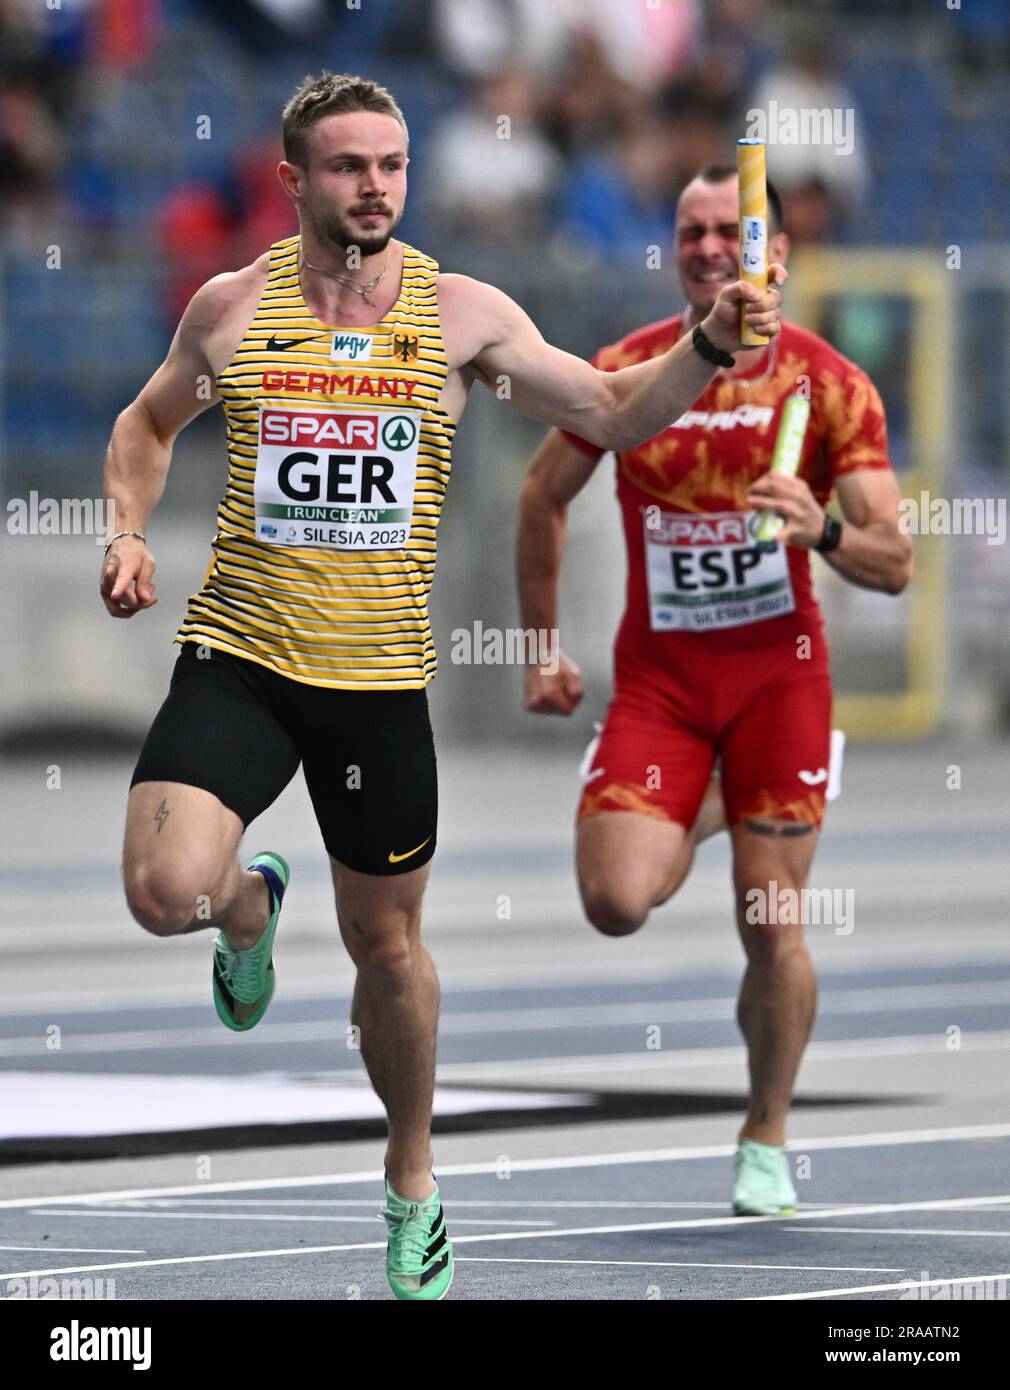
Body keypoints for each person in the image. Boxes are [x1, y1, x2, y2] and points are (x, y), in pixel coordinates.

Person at [98, 80, 783, 1299]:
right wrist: (127, 529)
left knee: (387, 950)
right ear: (294, 179)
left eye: (392, 164)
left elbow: (614, 411)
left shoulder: (459, 315)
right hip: (242, 654)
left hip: (374, 687)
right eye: (348, 165)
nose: (374, 186)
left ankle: (410, 1179)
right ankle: (248, 908)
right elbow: (146, 426)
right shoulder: (229, 309)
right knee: (162, 894)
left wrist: (706, 345)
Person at [517, 162, 912, 1218]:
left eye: (725, 231)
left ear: (772, 255)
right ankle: (710, 804)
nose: (703, 247)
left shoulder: (828, 385)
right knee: (612, 900)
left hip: (778, 681)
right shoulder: (627, 369)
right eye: (687, 231)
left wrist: (818, 526)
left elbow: (894, 558)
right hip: (661, 683)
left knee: (767, 919)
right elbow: (540, 495)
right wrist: (539, 646)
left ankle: (765, 1134)